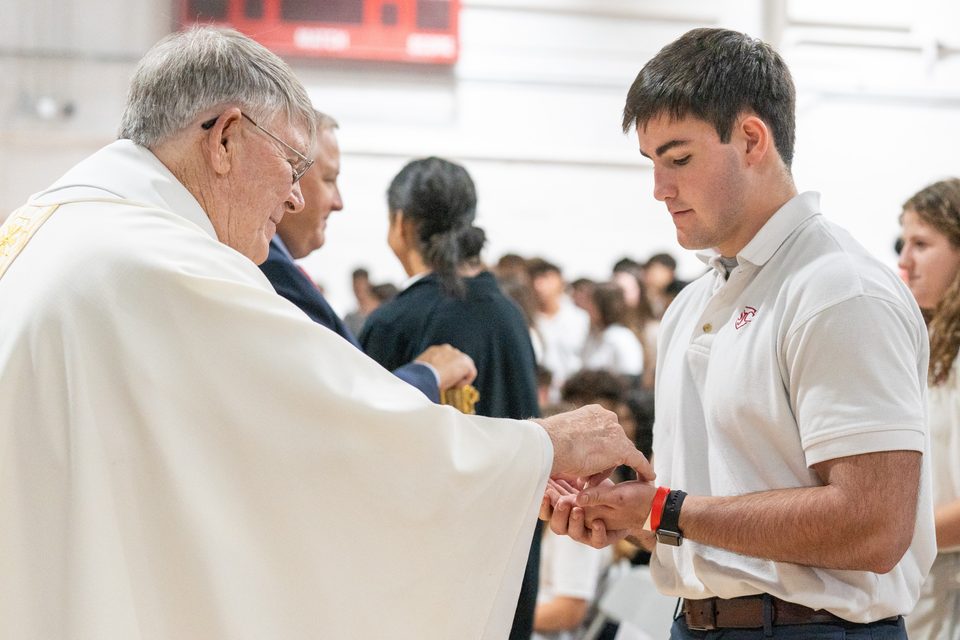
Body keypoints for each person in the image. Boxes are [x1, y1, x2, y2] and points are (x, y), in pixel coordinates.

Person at [0, 26, 653, 639]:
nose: (294, 197)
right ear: (225, 138)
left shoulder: (65, 225)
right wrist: (541, 446)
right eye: (292, 164)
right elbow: (335, 437)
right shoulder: (161, 262)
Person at [544, 27, 934, 639]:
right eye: (651, 163)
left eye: (678, 159)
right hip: (695, 622)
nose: (659, 189)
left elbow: (875, 525)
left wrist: (664, 509)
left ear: (752, 139)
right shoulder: (690, 304)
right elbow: (708, 518)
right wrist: (622, 512)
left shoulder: (839, 289)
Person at [358, 157, 544, 639]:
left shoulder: (394, 322)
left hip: (429, 573)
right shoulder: (509, 314)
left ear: (401, 224)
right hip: (508, 552)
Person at [259, 110, 472, 402]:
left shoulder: (393, 319)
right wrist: (428, 375)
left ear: (401, 224)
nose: (339, 203)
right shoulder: (269, 268)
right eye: (329, 179)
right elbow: (345, 402)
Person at [898, 178, 960, 640]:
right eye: (903, 243)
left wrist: (883, 534)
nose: (905, 260)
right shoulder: (935, 342)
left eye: (921, 244)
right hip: (925, 584)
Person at [527, 257, 590, 402]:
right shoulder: (529, 320)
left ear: (560, 281)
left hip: (575, 396)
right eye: (535, 279)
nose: (540, 285)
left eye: (546, 278)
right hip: (541, 397)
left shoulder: (580, 318)